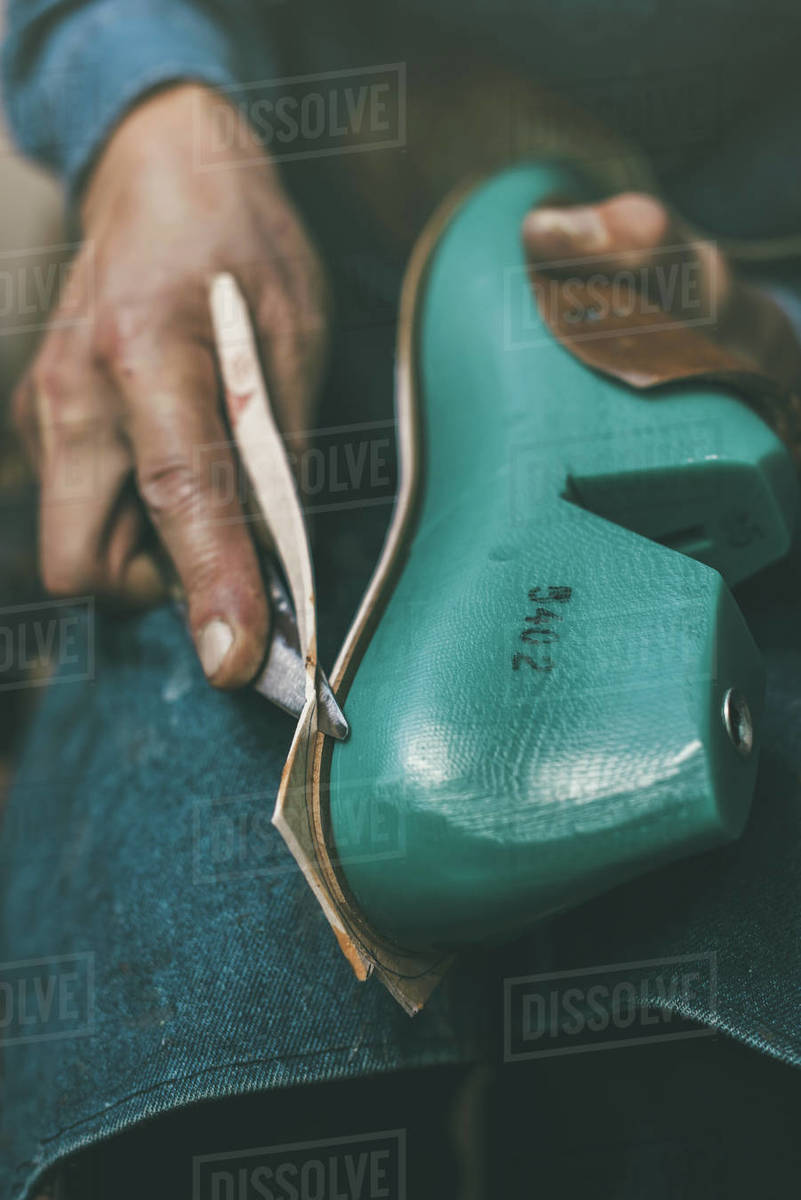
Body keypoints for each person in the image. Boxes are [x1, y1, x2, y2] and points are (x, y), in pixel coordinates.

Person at [2, 2, 801, 1196]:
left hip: (730, 271)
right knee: (212, 1056)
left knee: (717, 1057)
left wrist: (779, 331)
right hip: (296, 233)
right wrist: (150, 120)